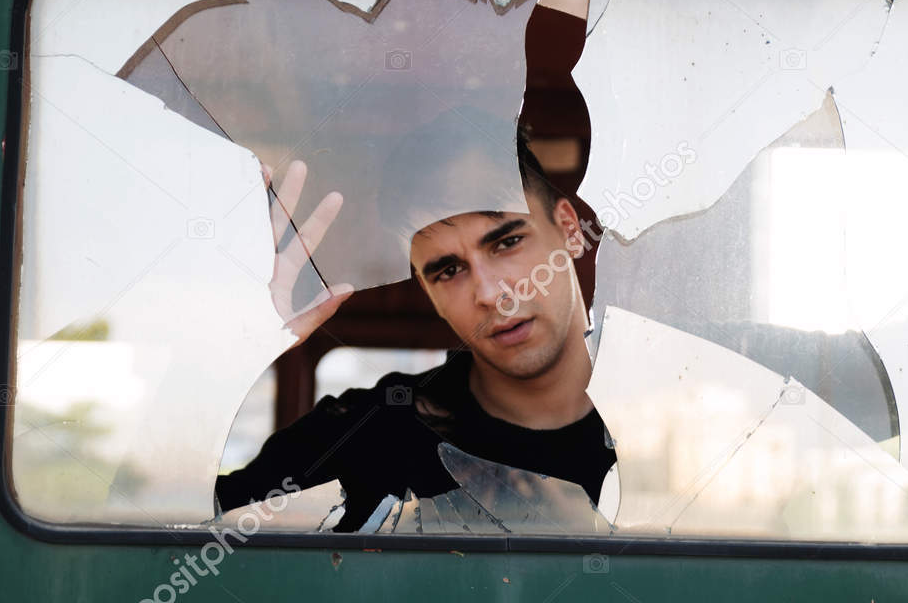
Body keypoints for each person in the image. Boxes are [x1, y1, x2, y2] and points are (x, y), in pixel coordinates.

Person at [214, 118, 615, 532]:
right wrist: (239, 344)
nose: (491, 293)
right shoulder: (370, 436)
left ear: (569, 229)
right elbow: (181, 534)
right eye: (449, 270)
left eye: (507, 242)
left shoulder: (670, 419)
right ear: (427, 290)